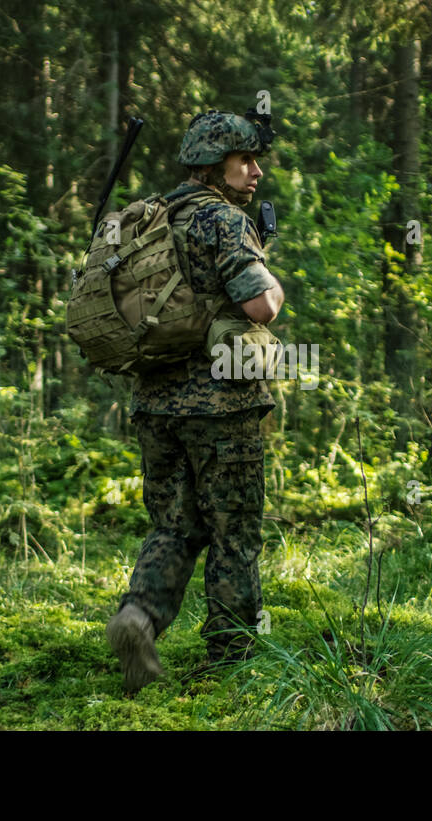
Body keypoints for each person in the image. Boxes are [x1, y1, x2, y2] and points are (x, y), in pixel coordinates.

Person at [106, 111, 285, 692]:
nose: (255, 172)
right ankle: (232, 656)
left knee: (174, 525)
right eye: (245, 161)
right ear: (216, 165)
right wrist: (274, 284)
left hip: (155, 400)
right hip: (221, 405)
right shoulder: (222, 221)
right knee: (234, 529)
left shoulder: (150, 219)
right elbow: (260, 307)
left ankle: (139, 616)